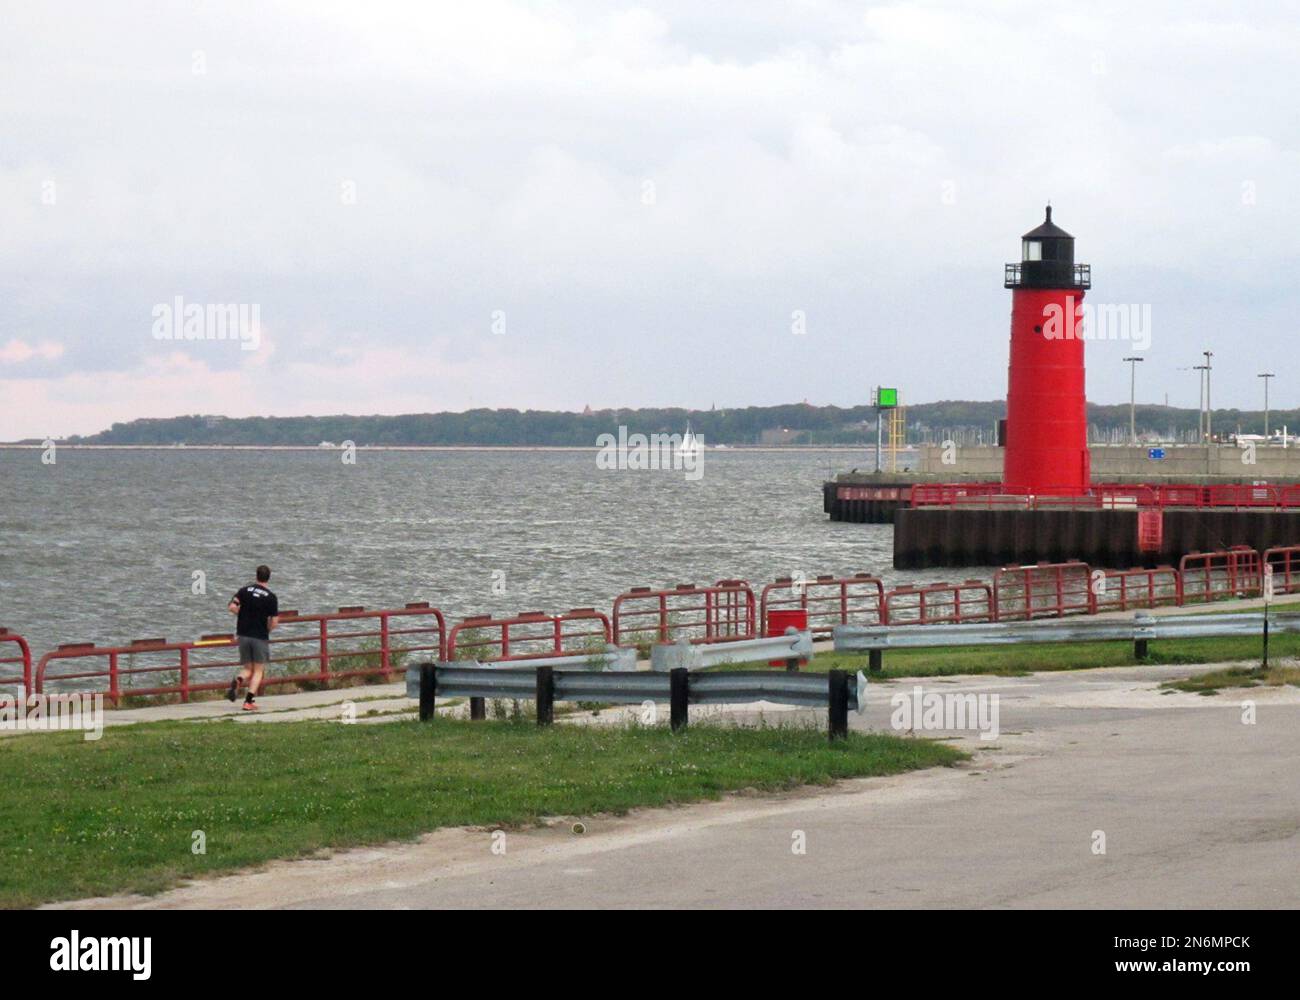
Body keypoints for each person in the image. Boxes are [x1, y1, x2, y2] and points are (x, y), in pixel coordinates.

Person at [227, 565, 279, 711]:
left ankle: (239, 679)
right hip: (259, 636)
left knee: (248, 668)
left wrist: (242, 615)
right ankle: (248, 701)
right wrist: (267, 629)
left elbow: (232, 607)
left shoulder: (244, 590)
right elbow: (274, 622)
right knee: (258, 671)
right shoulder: (270, 597)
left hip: (242, 635)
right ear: (268, 577)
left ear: (256, 576)